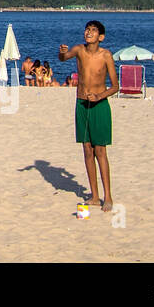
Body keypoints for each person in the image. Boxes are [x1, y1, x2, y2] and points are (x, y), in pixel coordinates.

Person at [59, 20, 118, 212]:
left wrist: (100, 96)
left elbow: (115, 86)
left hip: (99, 105)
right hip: (81, 103)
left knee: (100, 150)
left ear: (100, 37)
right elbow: (63, 58)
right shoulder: (79, 50)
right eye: (87, 29)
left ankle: (107, 196)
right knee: (87, 149)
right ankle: (94, 196)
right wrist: (61, 52)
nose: (88, 32)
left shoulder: (106, 55)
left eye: (93, 31)